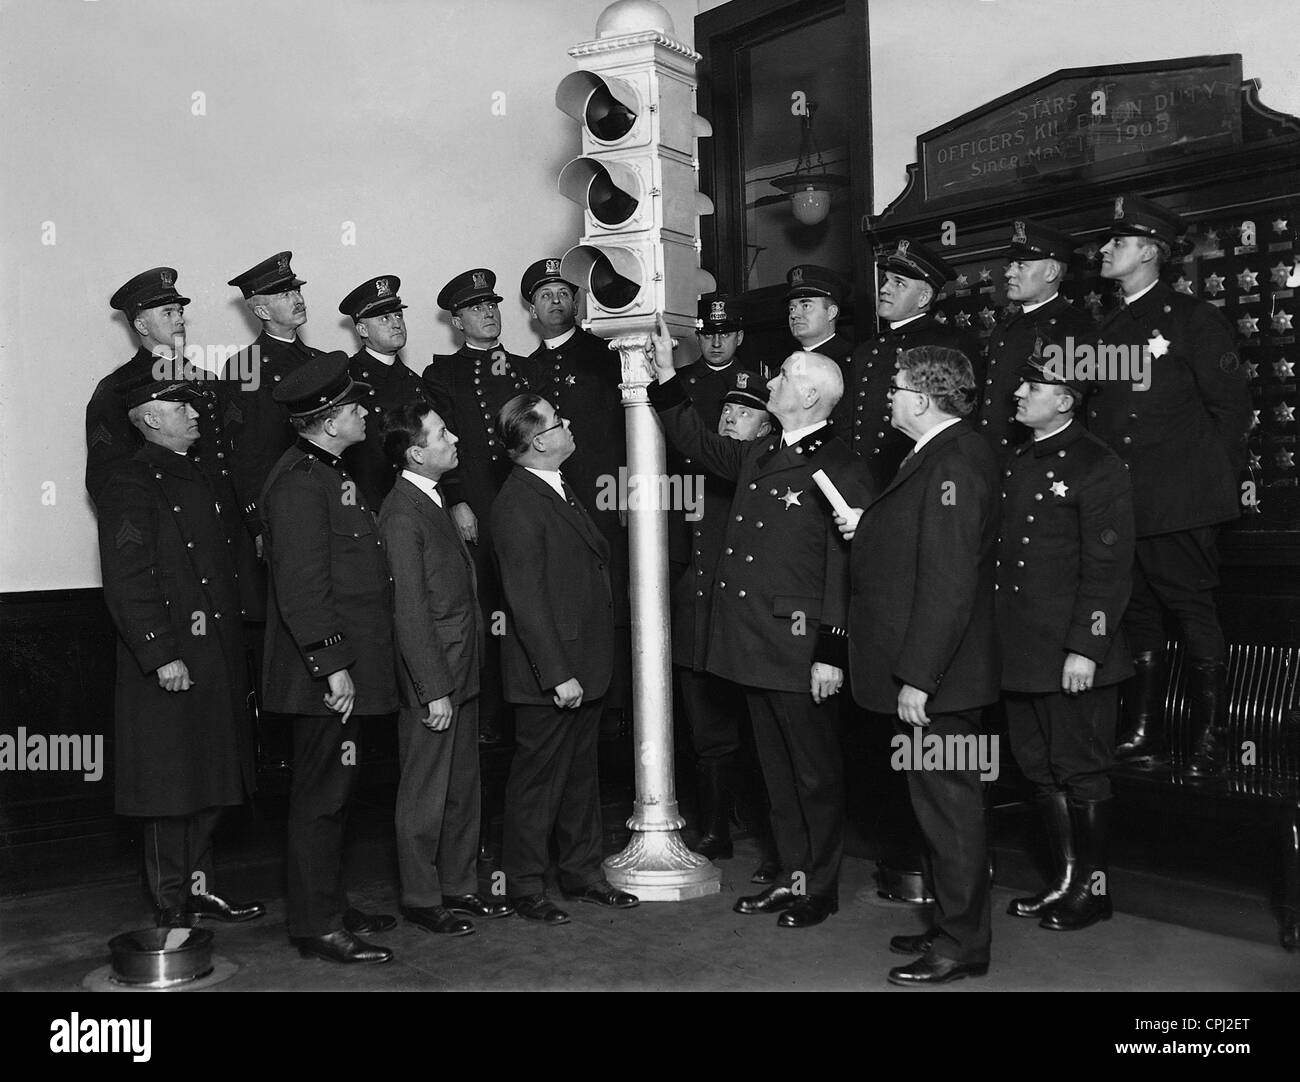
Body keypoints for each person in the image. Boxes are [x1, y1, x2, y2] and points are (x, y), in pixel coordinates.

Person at [649, 316, 873, 929]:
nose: (773, 379)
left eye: (785, 375)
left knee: (813, 774)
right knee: (775, 771)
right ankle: (790, 876)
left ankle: (818, 888)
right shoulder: (763, 451)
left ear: (808, 396)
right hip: (755, 642)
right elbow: (697, 442)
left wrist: (831, 650)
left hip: (801, 648)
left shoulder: (840, 464)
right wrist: (667, 376)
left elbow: (846, 566)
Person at [837, 344, 999, 985]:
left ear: (925, 399)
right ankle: (948, 925)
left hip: (940, 681)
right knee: (934, 809)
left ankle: (963, 947)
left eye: (898, 387)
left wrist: (918, 677)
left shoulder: (956, 458)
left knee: (951, 813)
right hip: (929, 674)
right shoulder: (936, 455)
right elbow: (916, 546)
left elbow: (949, 582)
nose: (888, 396)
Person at [1088, 194, 1252, 775]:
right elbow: (1098, 415)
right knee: (1138, 616)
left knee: (1192, 609)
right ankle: (1144, 731)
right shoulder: (1106, 326)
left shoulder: (1194, 320)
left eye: (1118, 243)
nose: (1105, 250)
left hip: (1179, 502)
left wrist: (1208, 491)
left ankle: (1215, 738)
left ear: (1151, 253)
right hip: (1122, 505)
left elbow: (1232, 413)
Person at [95, 377, 260, 928]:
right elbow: (127, 577)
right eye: (177, 405)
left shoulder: (200, 472)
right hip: (170, 658)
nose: (192, 412)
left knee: (210, 775)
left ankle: (201, 887)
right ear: (147, 418)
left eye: (191, 403)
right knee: (170, 788)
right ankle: (171, 903)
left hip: (215, 651)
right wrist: (160, 652)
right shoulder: (130, 478)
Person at [261, 352, 399, 964]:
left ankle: (328, 906)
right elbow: (302, 586)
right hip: (322, 674)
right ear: (328, 419)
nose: (366, 412)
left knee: (338, 794)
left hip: (344, 665)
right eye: (355, 408)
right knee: (321, 798)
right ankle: (315, 927)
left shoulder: (327, 471)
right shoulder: (297, 483)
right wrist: (331, 663)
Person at [999, 347, 1135, 932]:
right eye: (1021, 385)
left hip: (1072, 653)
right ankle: (1063, 881)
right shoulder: (1016, 459)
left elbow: (1109, 567)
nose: (1020, 394)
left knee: (1080, 772)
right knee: (1040, 770)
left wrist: (1087, 646)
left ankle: (1094, 890)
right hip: (1021, 652)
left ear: (1066, 399)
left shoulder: (1096, 464)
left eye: (1034, 386)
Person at [490, 394, 639, 923]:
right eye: (559, 420)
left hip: (583, 663)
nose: (568, 423)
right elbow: (525, 601)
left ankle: (581, 874)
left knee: (580, 775)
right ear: (538, 441)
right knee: (538, 780)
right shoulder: (517, 503)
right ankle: (524, 885)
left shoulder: (554, 486)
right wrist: (557, 674)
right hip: (554, 673)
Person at [378, 403, 514, 936]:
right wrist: (432, 689)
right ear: (416, 453)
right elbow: (409, 612)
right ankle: (420, 895)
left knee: (462, 785)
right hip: (434, 679)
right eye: (441, 433)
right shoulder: (401, 513)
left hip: (463, 670)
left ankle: (458, 886)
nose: (454, 437)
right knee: (425, 792)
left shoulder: (428, 500)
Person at [670, 369, 780, 882]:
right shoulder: (696, 472)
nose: (731, 418)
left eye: (746, 411)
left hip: (749, 624)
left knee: (764, 736)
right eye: (727, 410)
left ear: (767, 427)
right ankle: (715, 829)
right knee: (708, 732)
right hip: (699, 613)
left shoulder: (767, 469)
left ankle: (777, 843)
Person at [422, 268, 532, 740]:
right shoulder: (442, 373)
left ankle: (530, 701)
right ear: (457, 320)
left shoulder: (526, 367)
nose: (488, 313)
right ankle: (490, 714)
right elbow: (444, 447)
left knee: (528, 600)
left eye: (492, 305)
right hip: (479, 506)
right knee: (485, 605)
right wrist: (458, 501)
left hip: (525, 503)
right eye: (475, 308)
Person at [519, 257, 631, 718]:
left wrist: (630, 495)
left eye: (563, 292)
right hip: (557, 505)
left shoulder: (605, 354)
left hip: (606, 497)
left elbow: (628, 428)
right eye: (545, 295)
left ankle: (620, 715)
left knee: (615, 603)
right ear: (532, 309)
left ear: (578, 299)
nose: (555, 301)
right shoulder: (526, 369)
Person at [838, 239, 980, 489]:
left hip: (917, 480)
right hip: (862, 483)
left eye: (898, 283)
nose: (884, 289)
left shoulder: (949, 345)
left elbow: (959, 424)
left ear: (924, 297)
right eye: (886, 280)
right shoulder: (867, 350)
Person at [87, 267, 228, 505]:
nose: (180, 319)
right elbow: (107, 478)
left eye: (180, 311)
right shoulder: (116, 389)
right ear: (142, 326)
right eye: (168, 312)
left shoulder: (207, 379)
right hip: (168, 525)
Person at [338, 275, 457, 517]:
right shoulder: (346, 380)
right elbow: (340, 454)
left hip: (420, 503)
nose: (396, 323)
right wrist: (360, 507)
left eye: (398, 315)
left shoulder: (415, 380)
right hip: (374, 506)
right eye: (384, 318)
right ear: (362, 329)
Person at [980, 219, 1095, 453]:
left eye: (1021, 265)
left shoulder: (1077, 328)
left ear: (1051, 272)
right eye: (1011, 264)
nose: (1009, 273)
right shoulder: (1005, 327)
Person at [785, 264, 853, 371]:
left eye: (806, 306)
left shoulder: (854, 364)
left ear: (831, 313)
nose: (794, 315)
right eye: (792, 308)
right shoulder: (785, 367)